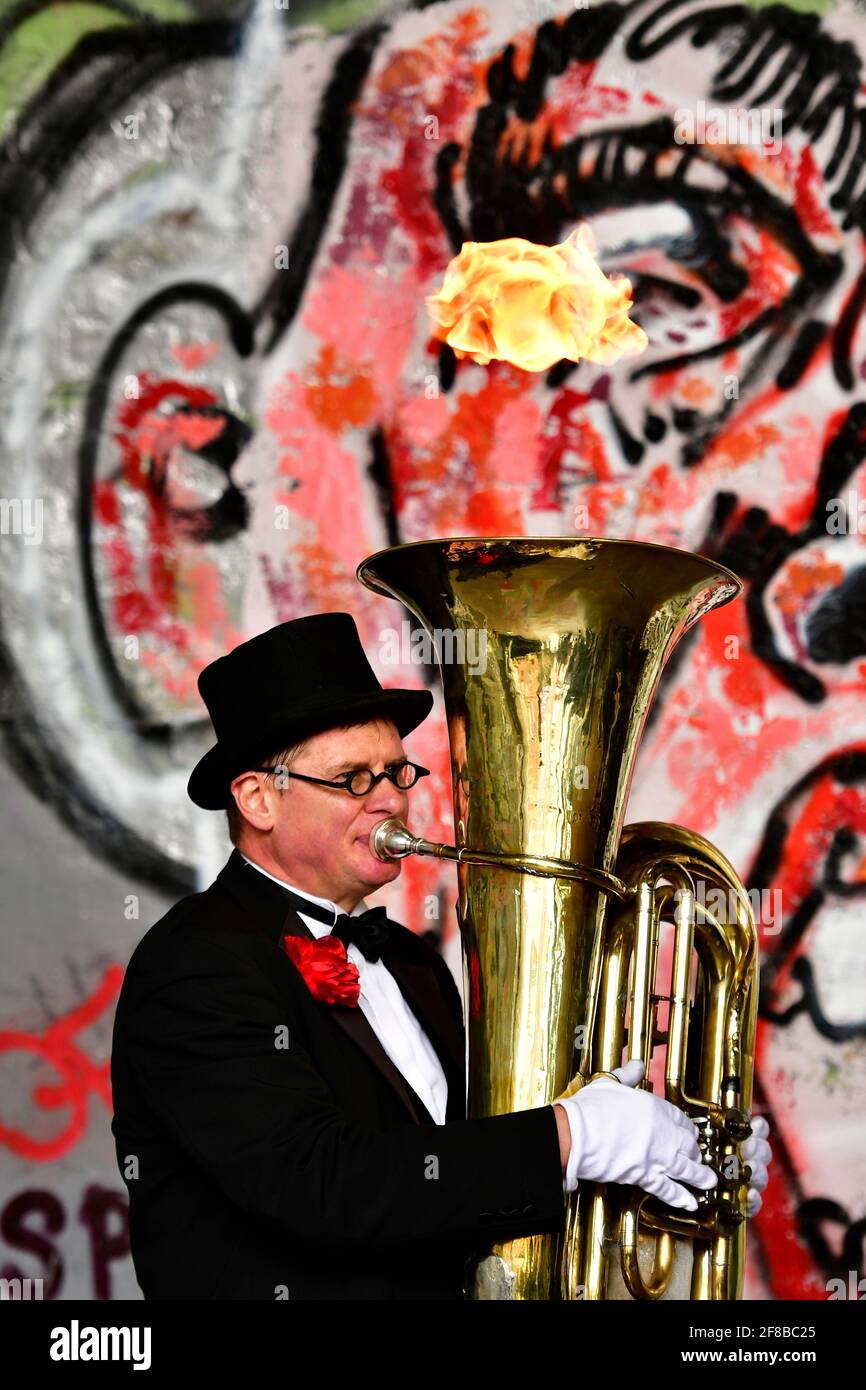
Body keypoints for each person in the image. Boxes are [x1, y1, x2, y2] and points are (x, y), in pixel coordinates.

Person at [110, 612, 772, 1299]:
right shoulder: (194, 964)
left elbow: (452, 1185)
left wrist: (670, 1160)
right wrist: (571, 1137)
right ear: (257, 800)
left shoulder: (407, 960)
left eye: (397, 771)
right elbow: (320, 1187)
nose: (393, 799)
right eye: (354, 779)